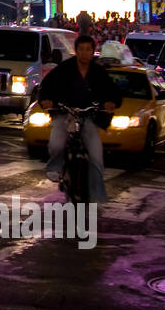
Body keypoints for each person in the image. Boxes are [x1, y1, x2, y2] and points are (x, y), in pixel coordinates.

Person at [38, 34, 122, 204]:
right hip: (65, 114)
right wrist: (46, 101)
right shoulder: (63, 69)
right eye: (81, 49)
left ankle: (97, 196)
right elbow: (46, 87)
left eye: (88, 50)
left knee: (96, 158)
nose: (84, 53)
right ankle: (55, 168)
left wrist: (111, 102)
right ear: (76, 51)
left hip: (89, 117)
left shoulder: (98, 72)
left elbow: (112, 91)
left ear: (93, 52)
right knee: (56, 143)